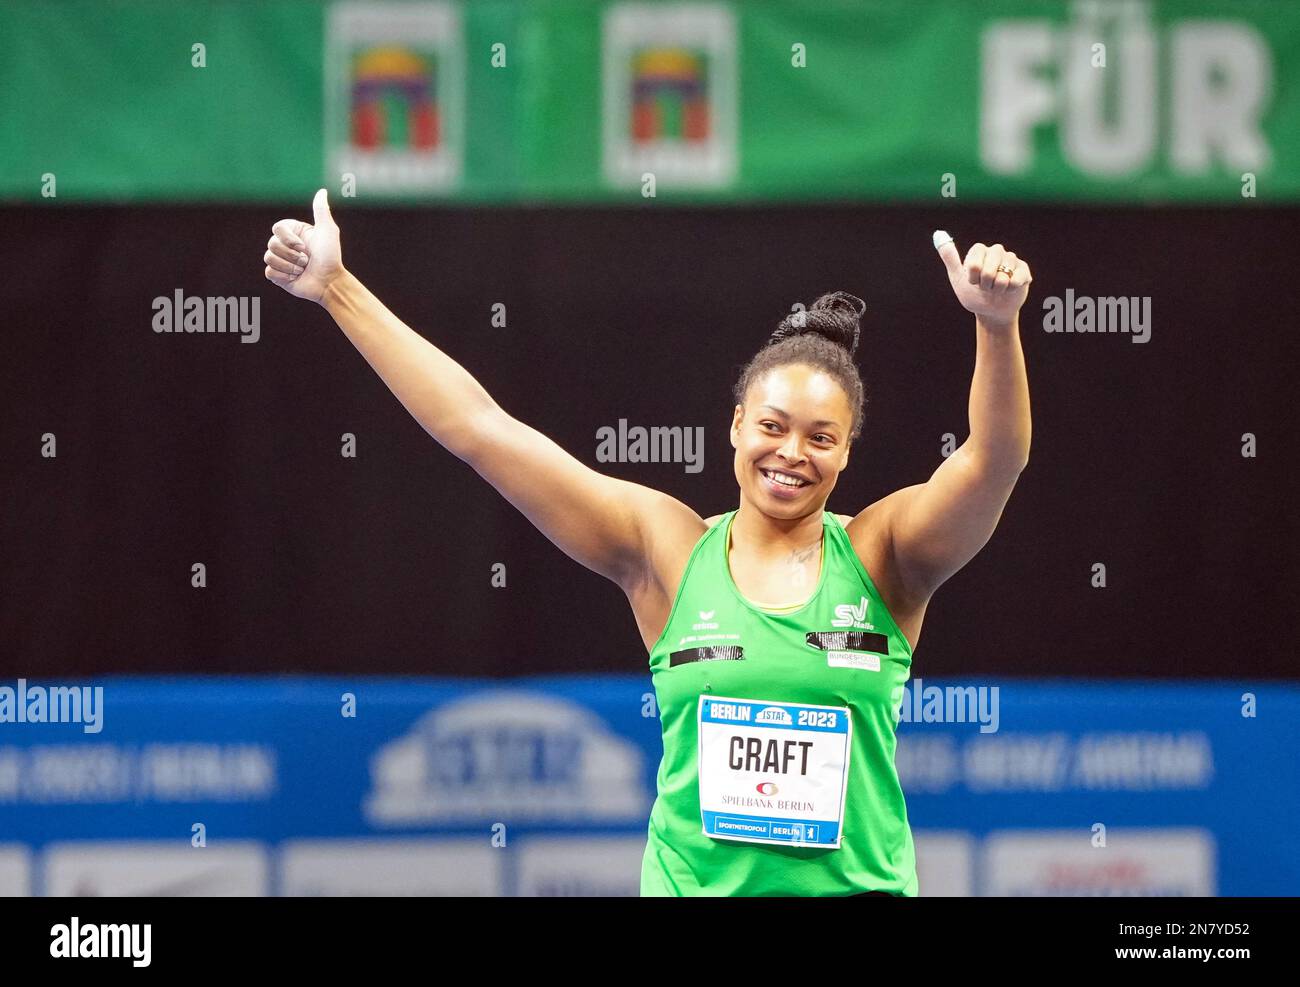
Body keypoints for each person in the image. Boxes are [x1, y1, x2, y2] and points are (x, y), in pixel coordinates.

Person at [263, 191, 1032, 897]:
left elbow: (993, 460)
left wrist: (996, 326)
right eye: (772, 426)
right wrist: (337, 289)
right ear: (736, 425)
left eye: (820, 437)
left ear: (846, 452)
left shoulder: (884, 556)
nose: (791, 453)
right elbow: (480, 429)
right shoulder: (667, 551)